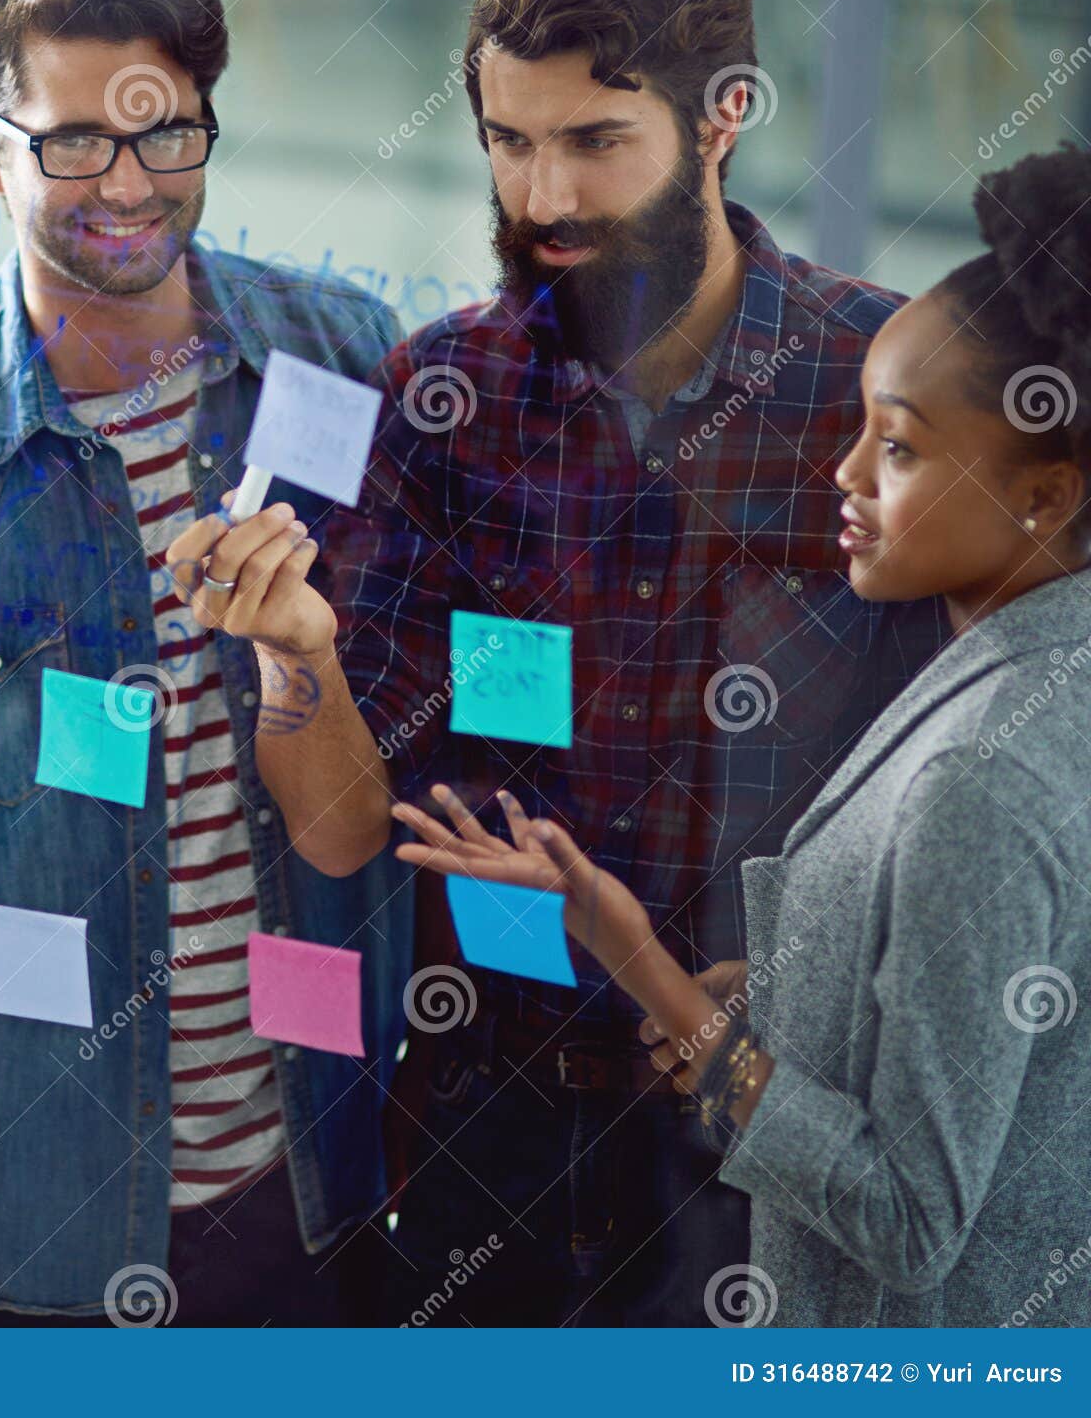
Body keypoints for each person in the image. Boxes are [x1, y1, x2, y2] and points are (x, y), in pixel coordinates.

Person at [165, 0, 949, 1326]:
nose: (545, 200)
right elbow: (342, 825)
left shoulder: (880, 383)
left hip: (779, 1121)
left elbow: (985, 766)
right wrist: (299, 658)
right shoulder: (444, 397)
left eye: (596, 142)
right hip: (494, 1132)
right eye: (509, 143)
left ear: (721, 116)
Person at [0, 0, 409, 1326]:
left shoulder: (348, 367)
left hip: (319, 1192)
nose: (126, 183)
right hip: (31, 1232)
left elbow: (386, 809)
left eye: (167, 132)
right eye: (73, 142)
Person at [391, 141, 1091, 1329]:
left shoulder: (981, 767)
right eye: (863, 428)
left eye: (901, 445)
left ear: (1042, 494)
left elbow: (907, 1216)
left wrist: (644, 968)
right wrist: (768, 992)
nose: (846, 471)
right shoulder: (1035, 678)